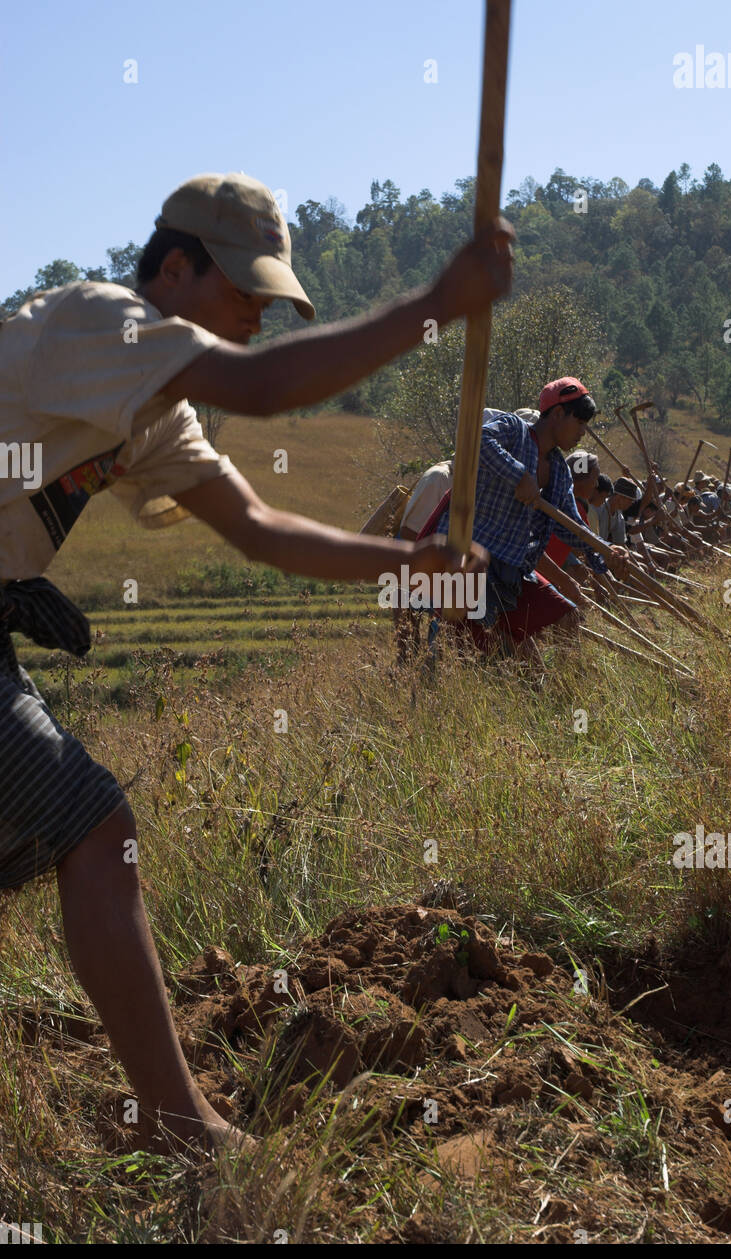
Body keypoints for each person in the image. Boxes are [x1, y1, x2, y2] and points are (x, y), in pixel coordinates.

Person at [0, 169, 513, 1152]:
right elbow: (267, 389)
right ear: (175, 268)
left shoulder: (156, 410)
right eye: (242, 294)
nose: (253, 321)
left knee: (84, 828)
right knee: (96, 828)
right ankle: (179, 1125)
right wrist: (436, 306)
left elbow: (261, 529)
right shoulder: (99, 321)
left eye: (266, 306)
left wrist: (409, 564)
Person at [417, 377, 629, 663]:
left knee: (568, 618)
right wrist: (518, 475)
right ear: (558, 413)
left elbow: (571, 527)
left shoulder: (558, 470)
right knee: (481, 654)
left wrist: (606, 553)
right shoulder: (513, 430)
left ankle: (568, 687)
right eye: (579, 423)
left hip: (512, 572)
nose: (582, 432)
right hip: (468, 564)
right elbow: (475, 440)